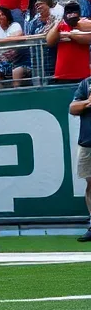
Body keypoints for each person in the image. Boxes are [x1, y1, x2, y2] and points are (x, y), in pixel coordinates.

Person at [70, 76, 91, 242]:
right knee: (90, 183)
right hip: (88, 142)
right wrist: (88, 102)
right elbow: (73, 108)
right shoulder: (86, 83)